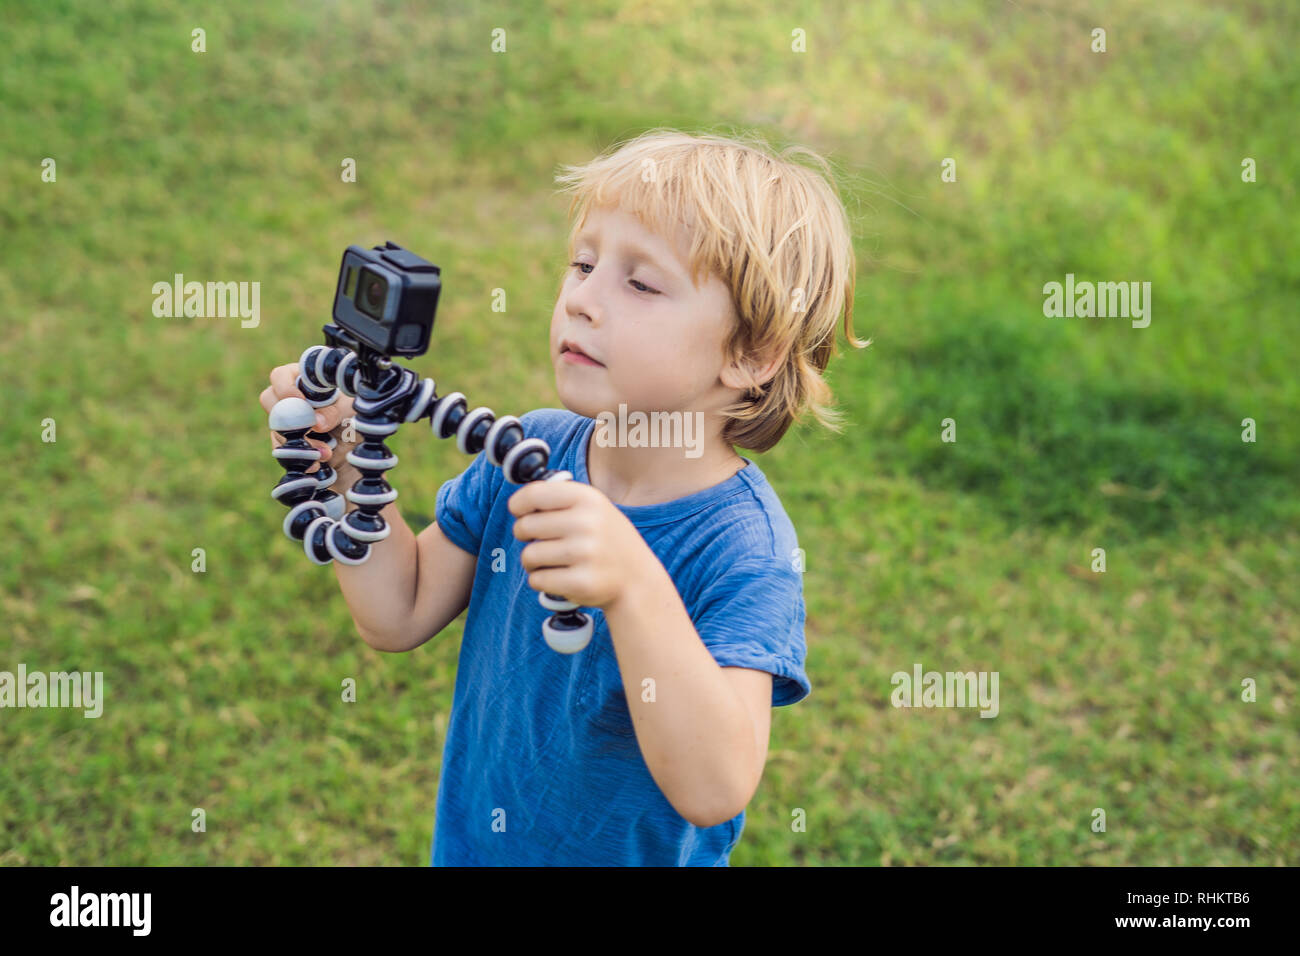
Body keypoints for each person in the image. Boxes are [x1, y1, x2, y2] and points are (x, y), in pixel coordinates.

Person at [261, 128, 867, 865]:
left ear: (751, 354)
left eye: (640, 283)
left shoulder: (743, 550)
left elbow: (715, 786)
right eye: (582, 264)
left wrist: (634, 586)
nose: (582, 299)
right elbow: (398, 611)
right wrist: (350, 460)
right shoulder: (527, 454)